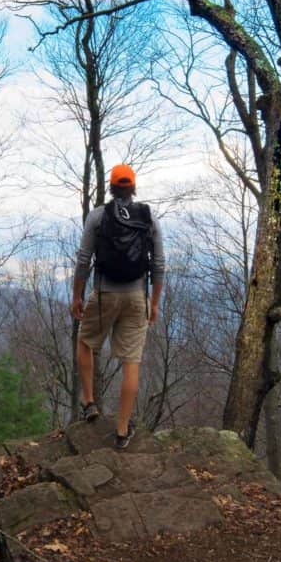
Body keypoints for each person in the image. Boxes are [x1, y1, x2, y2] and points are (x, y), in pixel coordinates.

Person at [71, 163, 164, 448]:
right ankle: (122, 431)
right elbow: (159, 264)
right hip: (138, 296)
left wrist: (77, 295)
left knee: (85, 342)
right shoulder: (148, 217)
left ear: (111, 188)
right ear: (133, 188)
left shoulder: (98, 216)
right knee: (131, 362)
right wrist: (155, 302)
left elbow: (84, 259)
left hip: (104, 294)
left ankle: (89, 402)